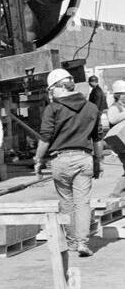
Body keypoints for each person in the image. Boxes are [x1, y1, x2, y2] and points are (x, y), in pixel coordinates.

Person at [36, 68, 101, 257]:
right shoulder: (91, 108)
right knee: (83, 203)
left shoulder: (53, 108)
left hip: (60, 159)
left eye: (51, 90)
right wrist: (98, 161)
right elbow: (97, 139)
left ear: (59, 87)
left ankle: (72, 243)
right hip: (84, 158)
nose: (50, 94)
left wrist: (38, 159)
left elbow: (45, 138)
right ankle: (83, 242)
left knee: (66, 202)